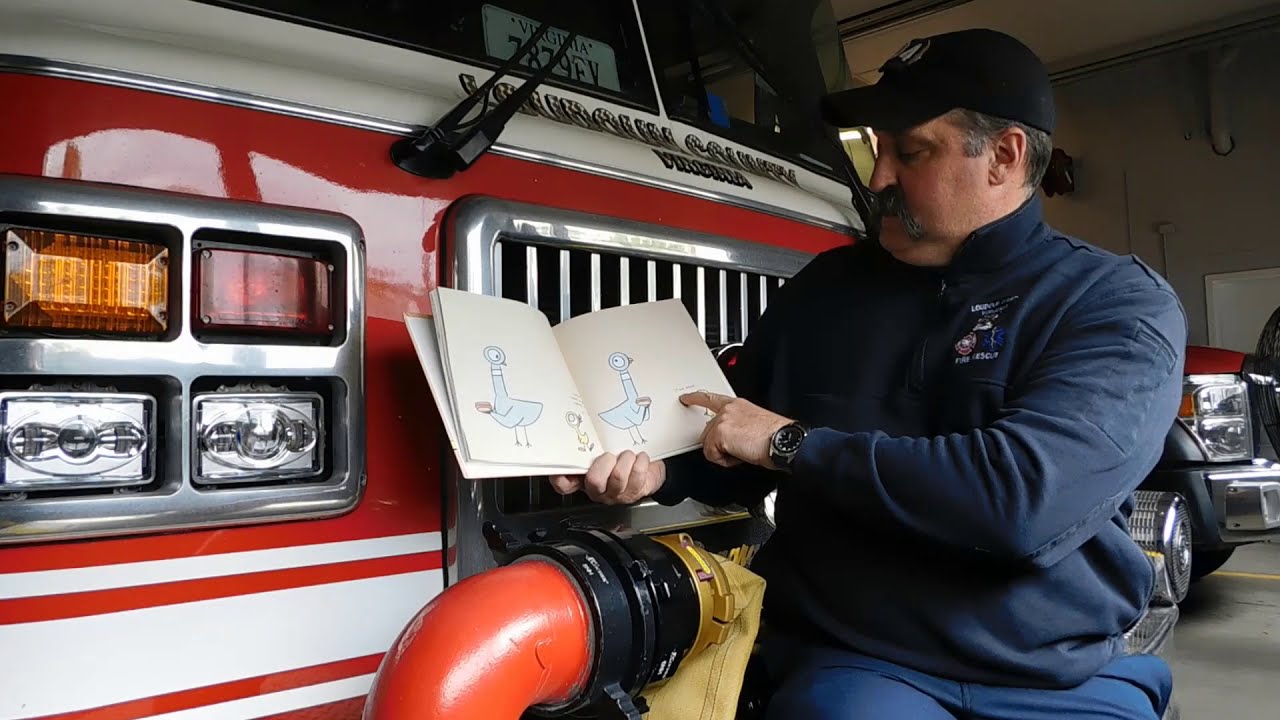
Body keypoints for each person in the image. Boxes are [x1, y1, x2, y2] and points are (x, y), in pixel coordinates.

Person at [549, 27, 1187, 720]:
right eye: (876, 149)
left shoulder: (1114, 303)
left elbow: (1021, 502)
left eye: (911, 152)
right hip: (865, 665)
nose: (879, 178)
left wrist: (793, 444)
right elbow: (736, 439)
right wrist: (655, 468)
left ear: (1003, 157)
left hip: (1062, 677)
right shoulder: (823, 292)